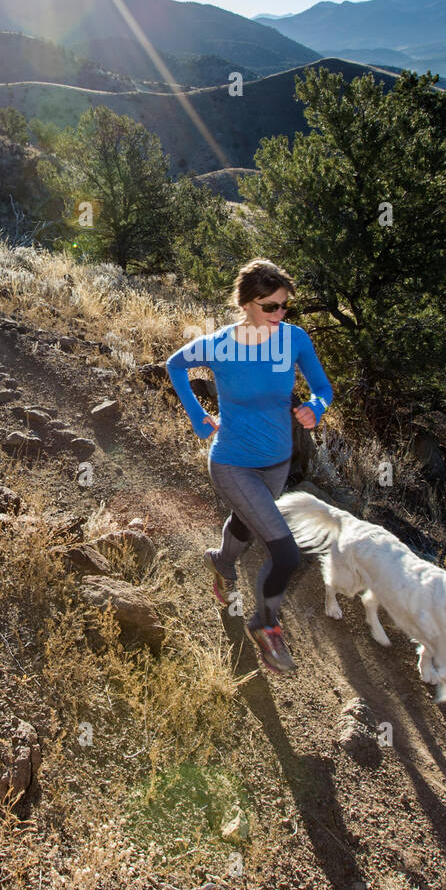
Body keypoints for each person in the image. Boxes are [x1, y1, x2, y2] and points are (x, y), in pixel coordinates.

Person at [165, 258, 333, 674]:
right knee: (286, 552)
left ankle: (221, 562)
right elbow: (175, 365)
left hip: (277, 462)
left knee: (245, 522)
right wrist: (195, 414)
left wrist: (316, 406)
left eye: (283, 306)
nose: (279, 315)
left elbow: (323, 388)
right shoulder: (220, 345)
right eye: (270, 306)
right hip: (233, 462)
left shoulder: (294, 340)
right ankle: (265, 625)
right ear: (246, 304)